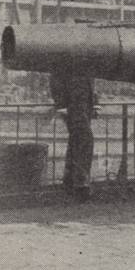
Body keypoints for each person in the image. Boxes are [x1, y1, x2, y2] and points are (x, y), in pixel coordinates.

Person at [50, 71, 96, 202]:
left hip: (84, 107)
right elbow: (55, 79)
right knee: (85, 139)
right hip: (72, 107)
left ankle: (70, 182)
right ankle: (81, 184)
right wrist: (61, 105)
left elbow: (90, 82)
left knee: (76, 141)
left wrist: (94, 102)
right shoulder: (65, 62)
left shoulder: (85, 63)